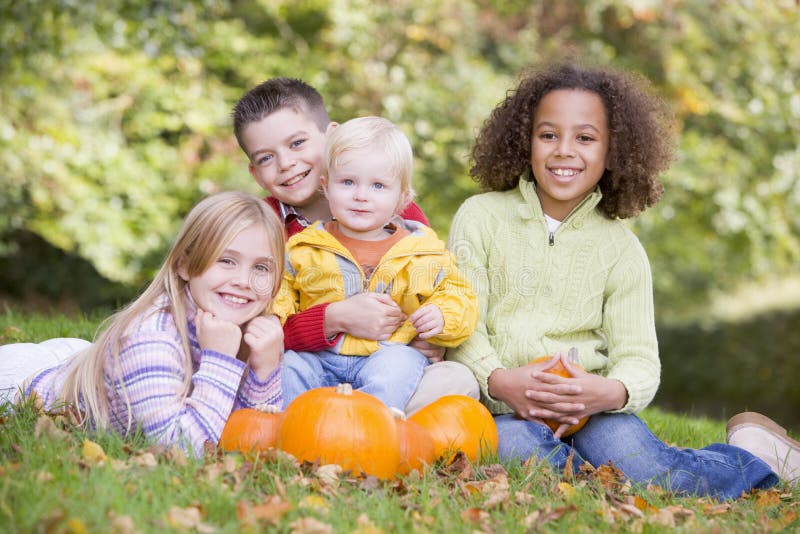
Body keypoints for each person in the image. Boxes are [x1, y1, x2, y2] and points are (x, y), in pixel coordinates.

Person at [447, 61, 798, 498]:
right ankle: (596, 484)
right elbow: (459, 323)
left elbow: (640, 361)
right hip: (501, 409)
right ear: (525, 141)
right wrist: (499, 381)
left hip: (593, 411)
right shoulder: (480, 218)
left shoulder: (622, 250)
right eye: (549, 134)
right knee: (514, 448)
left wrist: (609, 392)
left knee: (644, 466)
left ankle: (759, 460)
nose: (564, 151)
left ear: (612, 150)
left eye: (586, 138)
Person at [231, 78, 480, 413]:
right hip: (310, 361)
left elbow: (434, 288)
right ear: (255, 173)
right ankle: (302, 424)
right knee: (283, 370)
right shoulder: (262, 229)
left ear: (333, 135)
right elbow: (258, 326)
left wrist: (431, 335)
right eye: (266, 158)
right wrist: (333, 318)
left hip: (388, 359)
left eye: (297, 143)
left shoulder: (406, 221)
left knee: (455, 380)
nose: (286, 163)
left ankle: (372, 426)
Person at [0, 191, 286, 456]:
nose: (243, 281)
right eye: (226, 260)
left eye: (260, 267)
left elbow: (247, 440)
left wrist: (265, 370)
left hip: (85, 362)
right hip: (18, 384)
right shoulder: (150, 339)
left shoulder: (243, 329)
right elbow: (183, 450)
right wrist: (220, 361)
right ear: (184, 264)